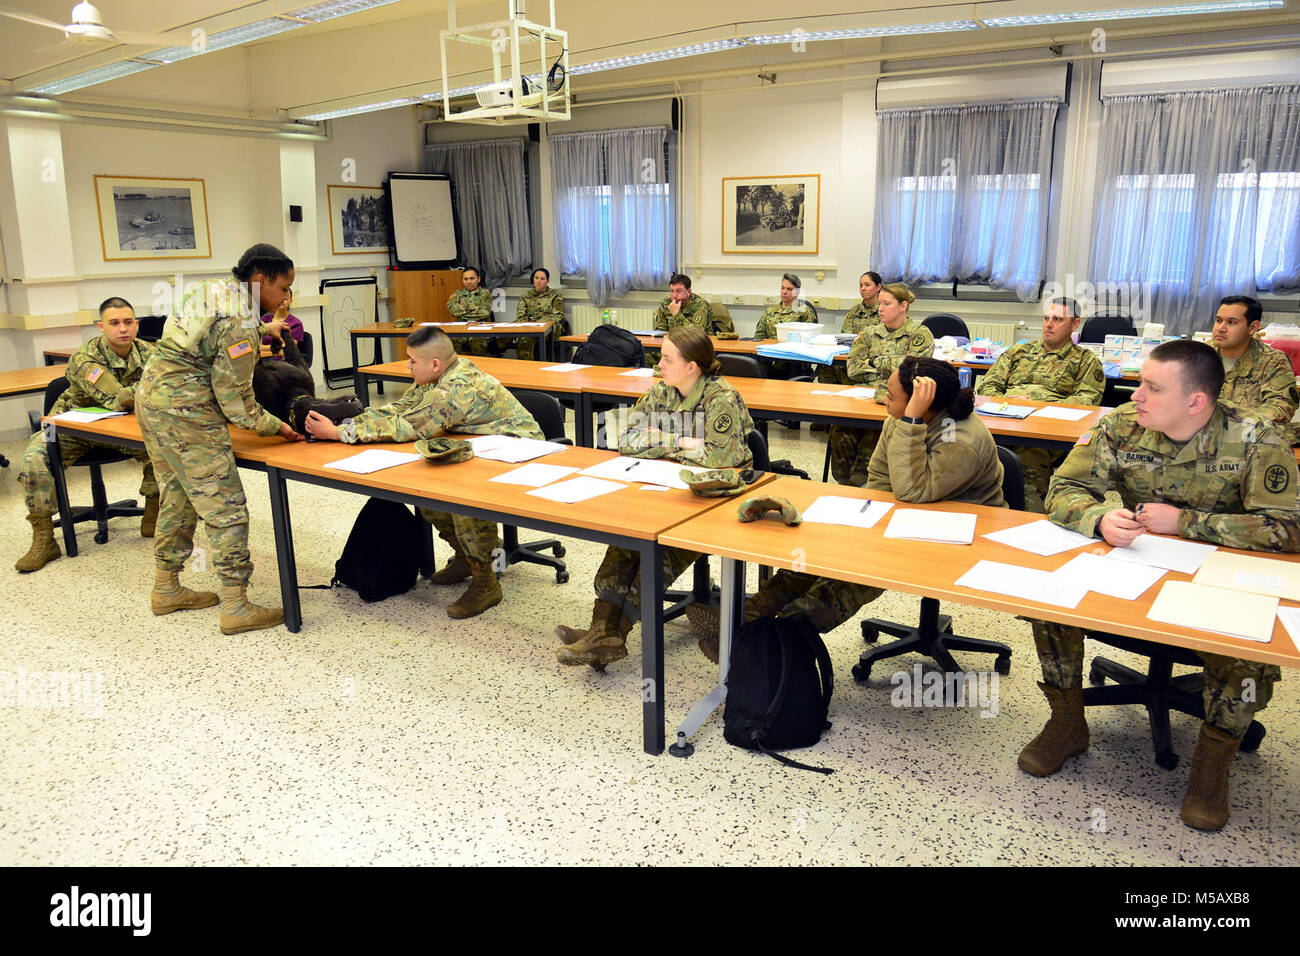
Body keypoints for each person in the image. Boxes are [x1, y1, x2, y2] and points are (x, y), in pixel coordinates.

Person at [1018, 339, 1300, 832]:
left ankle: (1213, 762)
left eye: (1152, 387)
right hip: (1137, 565)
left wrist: (1187, 522)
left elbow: (1289, 527)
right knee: (1051, 601)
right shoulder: (1121, 423)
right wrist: (1100, 517)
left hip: (1220, 576)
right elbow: (1063, 488)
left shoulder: (1257, 439)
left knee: (1252, 647)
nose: (1136, 394)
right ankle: (1067, 723)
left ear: (1196, 401)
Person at [695, 356, 1003, 661]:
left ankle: (773, 638)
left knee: (855, 575)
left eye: (892, 396)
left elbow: (912, 490)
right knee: (820, 551)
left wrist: (910, 421)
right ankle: (747, 619)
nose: (884, 399)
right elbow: (881, 478)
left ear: (922, 403)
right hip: (908, 518)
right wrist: (860, 527)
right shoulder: (900, 417)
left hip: (960, 539)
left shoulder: (959, 438)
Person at [304, 326, 544, 619]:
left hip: (519, 452)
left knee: (460, 498)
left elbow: (408, 427)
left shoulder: (454, 389)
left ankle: (486, 582)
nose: (407, 366)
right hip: (482, 446)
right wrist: (347, 417)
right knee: (427, 492)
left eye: (412, 361)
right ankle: (465, 557)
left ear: (434, 364)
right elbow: (403, 409)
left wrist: (340, 434)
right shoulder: (434, 377)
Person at [555, 326, 754, 670]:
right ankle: (602, 631)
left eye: (667, 358)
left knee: (654, 554)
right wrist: (682, 443)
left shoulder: (720, 398)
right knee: (626, 541)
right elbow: (627, 440)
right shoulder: (662, 392)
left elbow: (721, 459)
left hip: (713, 499)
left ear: (692, 366)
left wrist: (661, 438)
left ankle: (609, 635)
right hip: (666, 488)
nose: (658, 363)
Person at [136, 243, 303, 634]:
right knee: (225, 506)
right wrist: (277, 426)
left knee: (177, 496)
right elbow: (237, 405)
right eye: (282, 289)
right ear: (259, 280)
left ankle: (166, 588)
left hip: (153, 402)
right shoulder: (240, 322)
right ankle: (236, 604)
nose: (284, 299)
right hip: (188, 415)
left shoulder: (212, 288)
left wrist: (266, 328)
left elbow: (209, 333)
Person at [15, 297, 159, 572]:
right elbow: (117, 398)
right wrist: (152, 390)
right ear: (101, 326)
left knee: (166, 444)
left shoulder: (149, 353)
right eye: (114, 323)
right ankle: (44, 538)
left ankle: (155, 511)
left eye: (128, 322)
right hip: (74, 427)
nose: (122, 329)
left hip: (123, 428)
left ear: (137, 325)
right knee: (35, 457)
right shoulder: (85, 358)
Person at [976, 296, 1104, 511]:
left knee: (1029, 456)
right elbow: (987, 386)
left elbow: (1086, 402)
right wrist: (1006, 401)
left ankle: (1028, 516)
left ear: (1075, 324)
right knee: (972, 447)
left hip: (1046, 431)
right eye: (1046, 318)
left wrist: (1037, 408)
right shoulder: (1019, 352)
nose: (1049, 324)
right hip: (1006, 421)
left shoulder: (1085, 361)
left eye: (1057, 319)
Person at [829, 283, 933, 486]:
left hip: (898, 403)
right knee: (841, 428)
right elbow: (852, 369)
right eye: (880, 304)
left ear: (903, 306)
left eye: (887, 304)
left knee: (876, 434)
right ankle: (846, 482)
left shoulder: (920, 335)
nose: (880, 308)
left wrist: (873, 361)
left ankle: (866, 481)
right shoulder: (869, 333)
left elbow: (913, 371)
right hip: (863, 398)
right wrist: (895, 364)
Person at [1212, 294, 1299, 427]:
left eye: (1231, 322)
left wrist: (1227, 419)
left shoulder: (1273, 361)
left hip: (1247, 440)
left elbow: (1280, 410)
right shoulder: (1199, 354)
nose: (1221, 328)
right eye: (1218, 321)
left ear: (1253, 328)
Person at [817, 271, 883, 388]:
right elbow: (845, 337)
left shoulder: (884, 310)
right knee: (826, 365)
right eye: (861, 285)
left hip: (872, 357)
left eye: (867, 285)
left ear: (878, 287)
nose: (863, 288)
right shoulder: (854, 311)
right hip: (852, 354)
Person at [754, 273, 813, 380]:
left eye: (789, 289)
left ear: (797, 292)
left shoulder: (804, 312)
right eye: (782, 288)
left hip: (792, 361)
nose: (784, 291)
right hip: (768, 358)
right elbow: (758, 336)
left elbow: (809, 340)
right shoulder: (770, 311)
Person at [651, 273, 735, 336]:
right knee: (646, 354)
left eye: (679, 291)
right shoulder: (666, 303)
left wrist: (676, 315)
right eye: (672, 291)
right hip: (673, 343)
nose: (674, 295)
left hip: (697, 347)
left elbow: (696, 334)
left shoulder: (700, 304)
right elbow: (659, 330)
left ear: (688, 291)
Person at [515, 267, 566, 362]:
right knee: (523, 339)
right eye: (536, 278)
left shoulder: (555, 295)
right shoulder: (525, 295)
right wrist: (529, 326)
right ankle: (525, 369)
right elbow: (521, 315)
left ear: (547, 281)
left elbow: (557, 315)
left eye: (542, 279)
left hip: (549, 328)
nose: (538, 281)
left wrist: (539, 324)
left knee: (529, 339)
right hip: (529, 328)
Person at [445, 266, 493, 356]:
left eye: (472, 278)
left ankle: (481, 365)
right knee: (452, 338)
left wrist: (461, 313)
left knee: (477, 340)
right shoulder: (458, 294)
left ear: (478, 279)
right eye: (465, 279)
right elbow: (452, 310)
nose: (469, 282)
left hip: (480, 328)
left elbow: (484, 313)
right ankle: (457, 365)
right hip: (461, 328)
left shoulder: (485, 293)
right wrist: (472, 308)